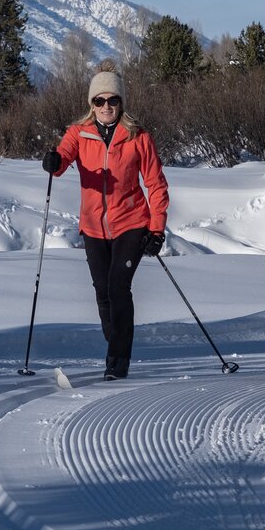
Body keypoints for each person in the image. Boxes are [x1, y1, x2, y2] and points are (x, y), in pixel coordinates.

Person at [42, 60, 170, 380]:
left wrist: (156, 229)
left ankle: (118, 359)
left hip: (131, 223)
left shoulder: (137, 136)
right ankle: (115, 346)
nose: (106, 106)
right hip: (93, 226)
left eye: (112, 100)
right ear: (92, 104)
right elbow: (61, 161)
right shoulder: (79, 133)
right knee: (102, 292)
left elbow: (156, 185)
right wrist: (54, 161)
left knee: (117, 287)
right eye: (99, 100)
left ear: (121, 103)